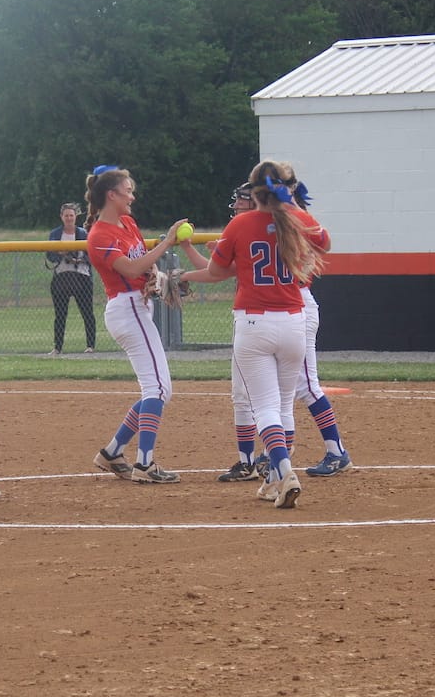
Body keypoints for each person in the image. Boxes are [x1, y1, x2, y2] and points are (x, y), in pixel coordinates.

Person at [180, 162, 331, 509]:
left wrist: (186, 274)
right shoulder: (297, 219)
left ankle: (283, 473)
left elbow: (217, 271)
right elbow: (325, 243)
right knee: (283, 405)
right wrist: (291, 203)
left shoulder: (240, 223)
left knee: (263, 407)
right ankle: (274, 479)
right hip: (294, 319)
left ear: (253, 192)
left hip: (254, 323)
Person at [209, 178, 352, 482]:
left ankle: (335, 451)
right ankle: (274, 458)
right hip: (286, 311)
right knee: (282, 396)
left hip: (293, 307)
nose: (238, 205)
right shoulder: (268, 222)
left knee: (303, 387)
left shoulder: (283, 219)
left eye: (244, 199)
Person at [83, 165, 192, 484]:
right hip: (126, 310)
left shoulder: (127, 222)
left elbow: (144, 264)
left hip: (138, 307)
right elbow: (130, 268)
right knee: (157, 388)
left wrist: (157, 278)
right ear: (111, 195)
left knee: (156, 389)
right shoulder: (98, 235)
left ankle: (113, 452)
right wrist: (168, 242)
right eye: (127, 190)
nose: (132, 195)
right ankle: (144, 464)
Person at [45, 202, 97, 355]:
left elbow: (92, 255)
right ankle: (57, 347)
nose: (69, 218)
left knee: (87, 312)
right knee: (60, 314)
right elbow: (50, 255)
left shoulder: (84, 233)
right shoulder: (55, 234)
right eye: (66, 215)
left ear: (76, 217)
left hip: (81, 277)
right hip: (62, 277)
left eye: (71, 215)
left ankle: (90, 345)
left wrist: (79, 258)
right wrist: (61, 253)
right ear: (61, 217)